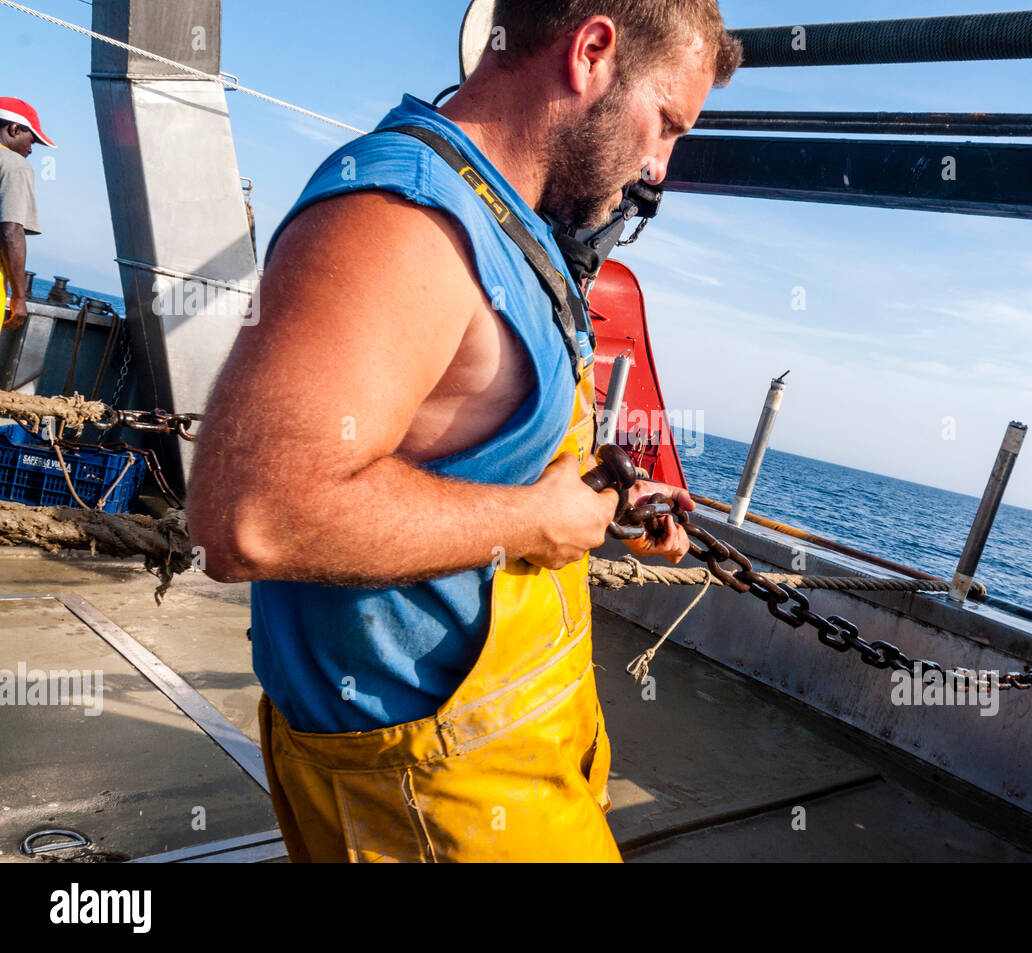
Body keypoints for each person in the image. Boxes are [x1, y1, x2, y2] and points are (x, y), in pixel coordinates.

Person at [188, 1, 742, 862]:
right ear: (592, 52)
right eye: (665, 123)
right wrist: (535, 522)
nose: (659, 167)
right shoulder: (406, 221)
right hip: (431, 801)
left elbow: (470, 442)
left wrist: (607, 496)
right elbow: (253, 515)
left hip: (505, 767)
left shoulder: (516, 227)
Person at [0, 98, 55, 332]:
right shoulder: (13, 164)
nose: (30, 150)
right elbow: (11, 231)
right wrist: (19, 298)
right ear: (14, 129)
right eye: (31, 140)